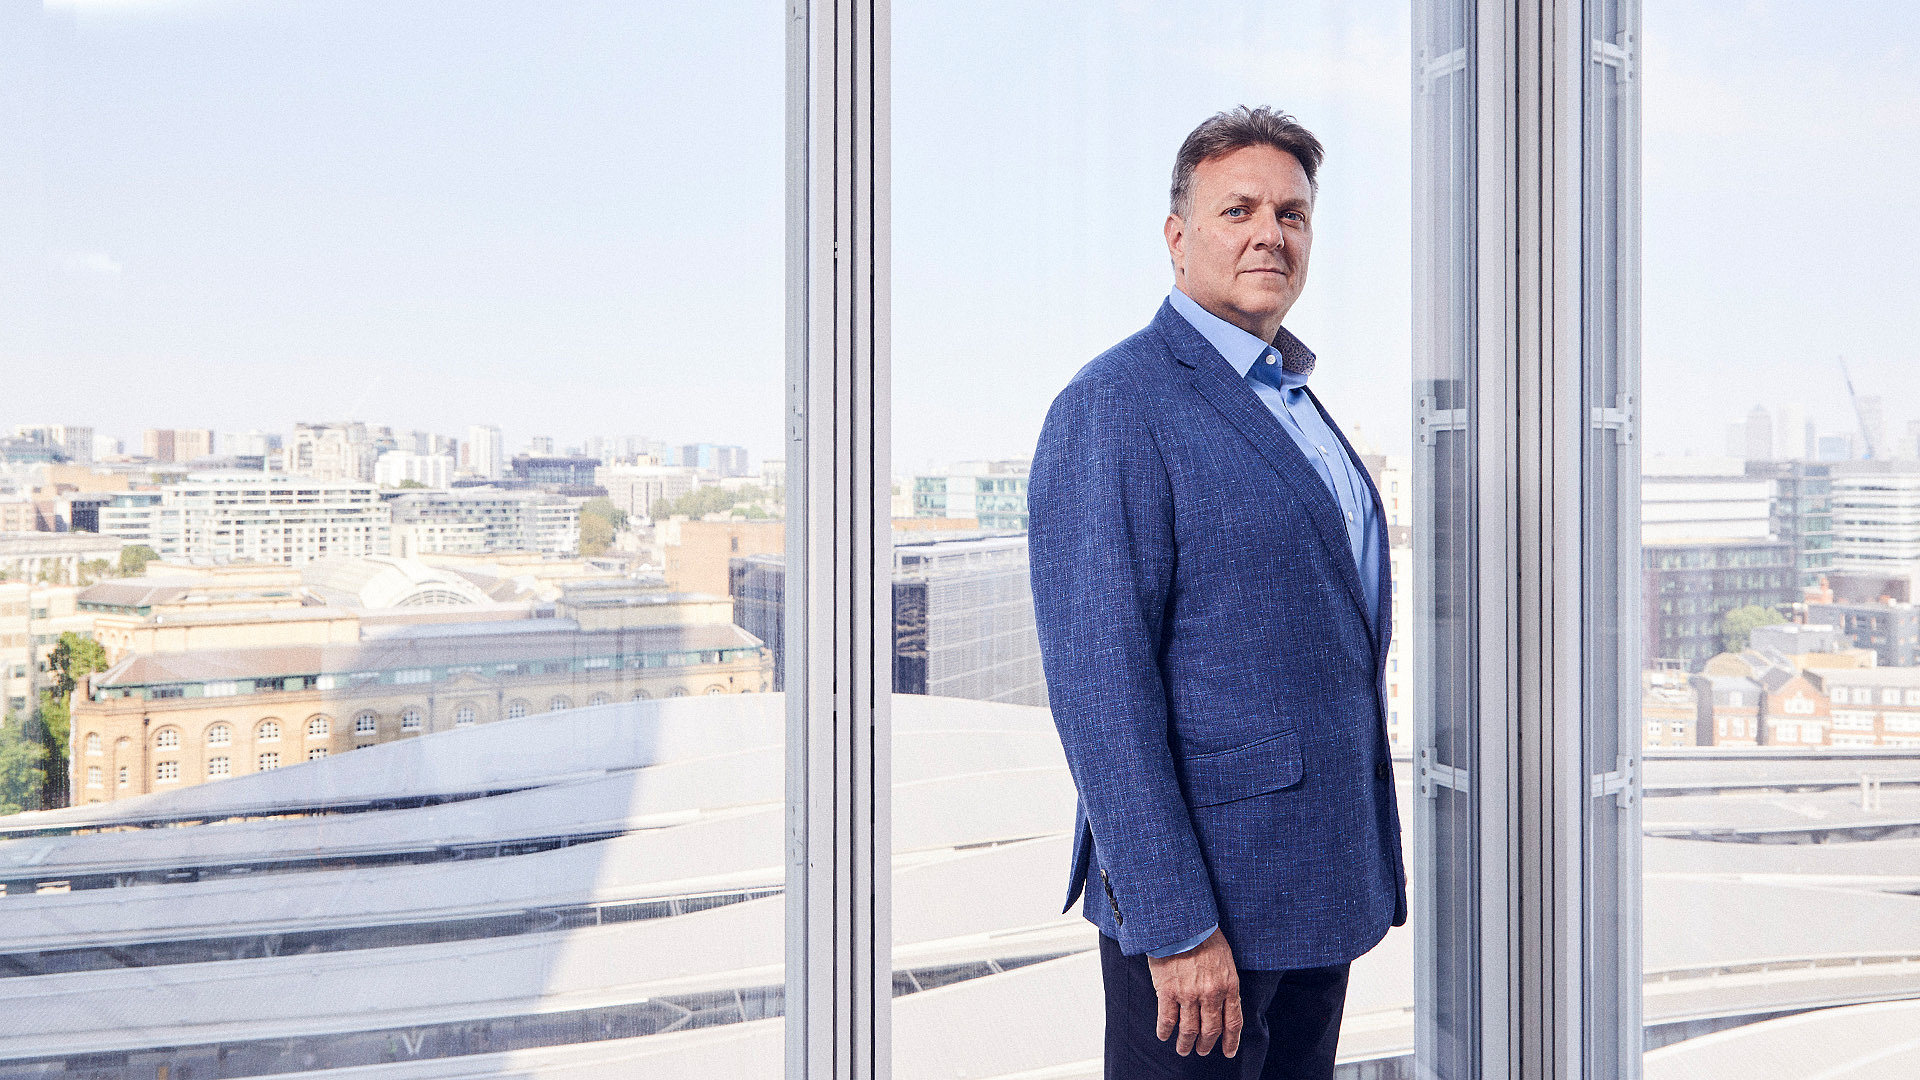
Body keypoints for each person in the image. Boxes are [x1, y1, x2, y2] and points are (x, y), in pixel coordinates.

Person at [1028, 106, 1405, 1079]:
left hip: (1316, 891)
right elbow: (1100, 690)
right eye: (1237, 209)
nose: (1269, 233)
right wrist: (1176, 926)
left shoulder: (1287, 396)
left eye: (1292, 213)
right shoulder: (1117, 405)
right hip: (1206, 923)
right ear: (1177, 236)